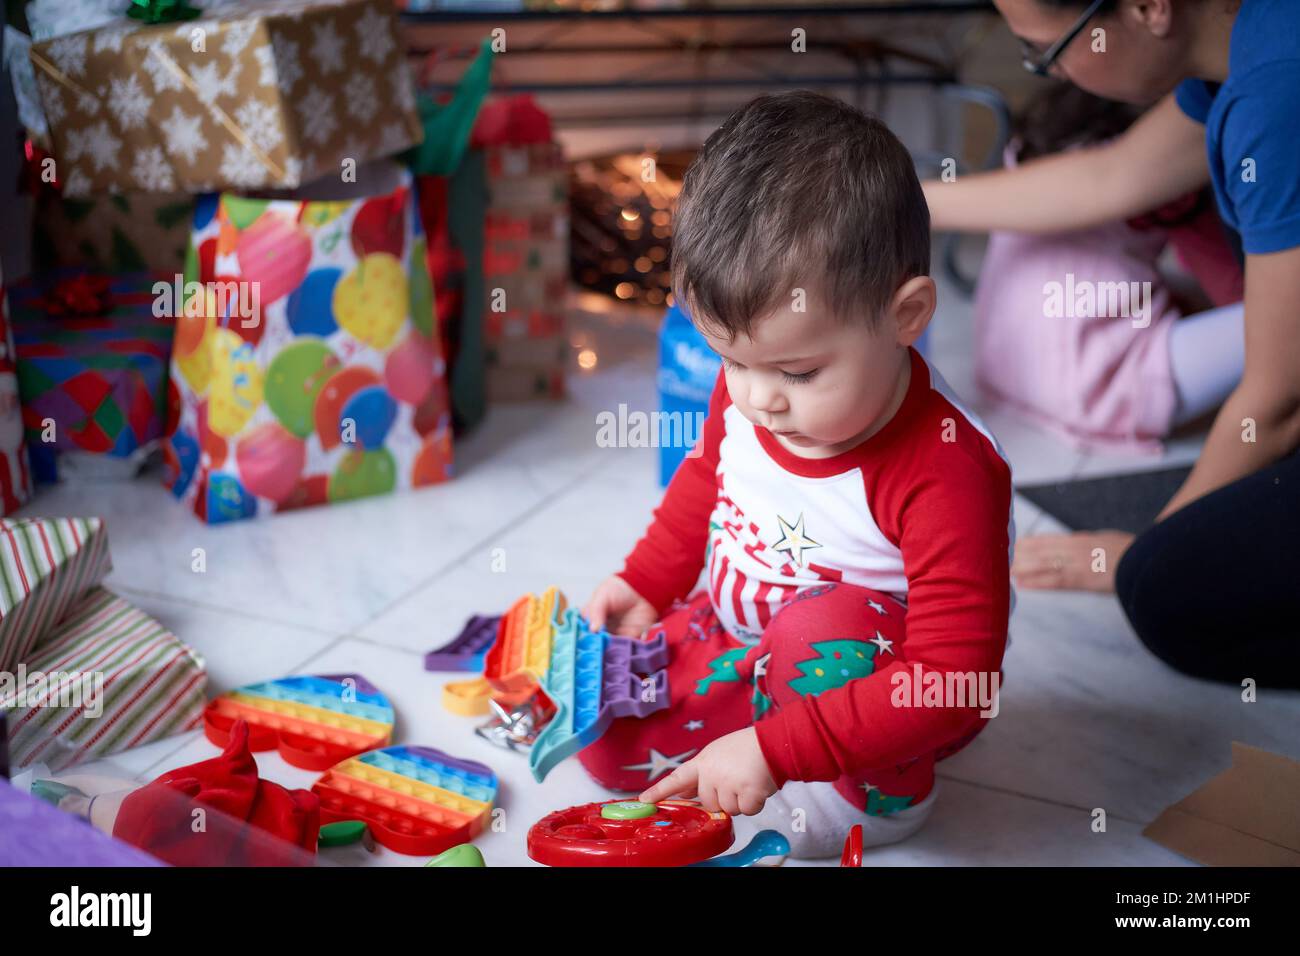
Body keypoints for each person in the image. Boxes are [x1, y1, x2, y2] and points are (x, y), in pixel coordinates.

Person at [580, 91, 1014, 858]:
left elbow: (954, 680)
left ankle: (870, 806)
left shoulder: (946, 469)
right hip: (746, 640)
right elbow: (703, 485)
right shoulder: (752, 385)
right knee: (610, 746)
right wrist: (645, 581)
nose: (755, 397)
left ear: (905, 316)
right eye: (730, 360)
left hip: (881, 689)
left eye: (800, 370)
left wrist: (778, 751)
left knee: (819, 629)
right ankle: (763, 726)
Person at [925, 0, 1300, 687]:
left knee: (1163, 592)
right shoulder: (1241, 53)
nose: (1054, 73)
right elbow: (1111, 176)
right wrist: (898, 199)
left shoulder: (1279, 94)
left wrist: (1142, 549)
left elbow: (1278, 403)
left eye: (1050, 49)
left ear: (1149, 8)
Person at [974, 81, 1244, 454]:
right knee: (1271, 320)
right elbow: (1231, 286)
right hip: (1101, 384)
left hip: (1009, 369)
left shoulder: (1038, 133)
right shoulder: (1167, 154)